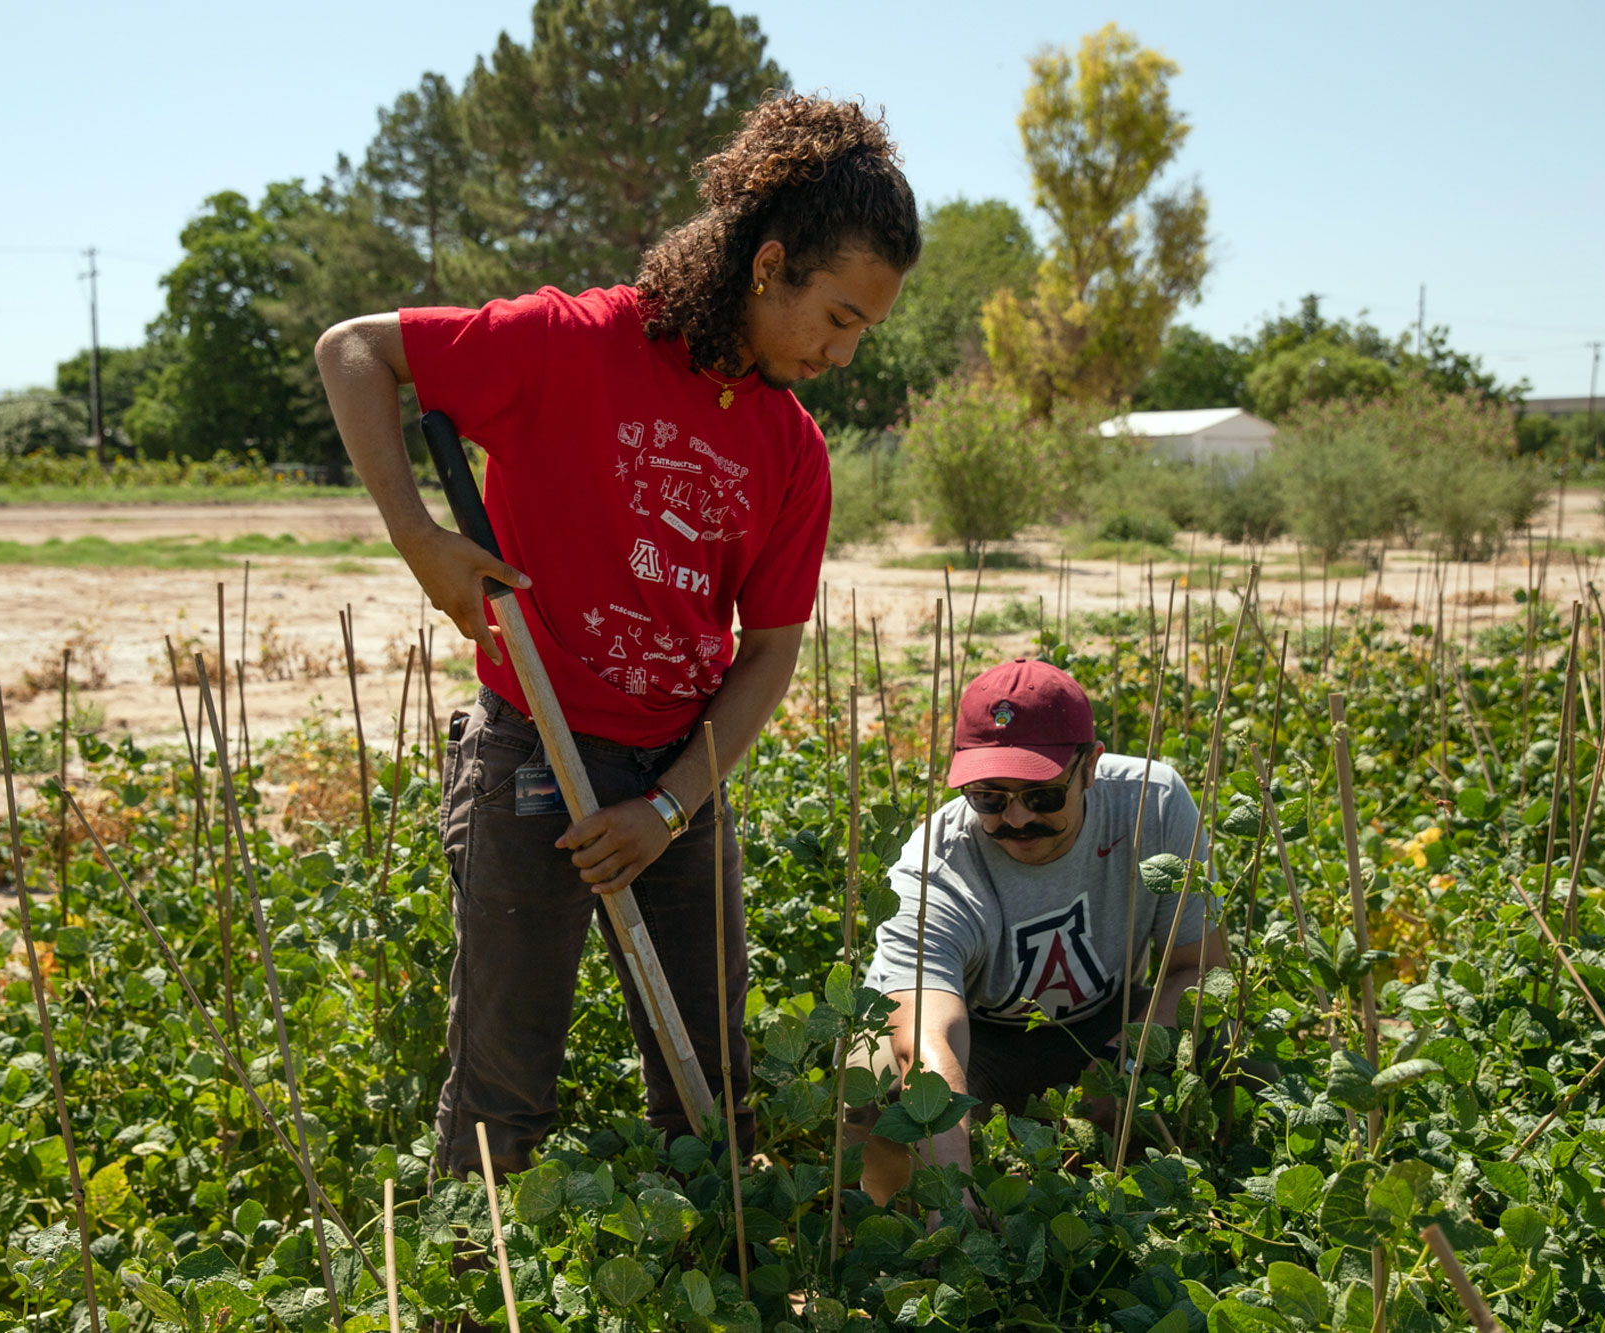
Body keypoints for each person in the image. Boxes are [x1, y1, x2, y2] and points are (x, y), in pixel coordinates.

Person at [315, 93, 919, 1179]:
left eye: (861, 330)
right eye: (835, 317)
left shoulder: (791, 450)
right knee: (503, 1087)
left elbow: (769, 652)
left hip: (676, 777)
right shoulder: (574, 343)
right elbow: (353, 351)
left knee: (711, 1086)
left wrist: (668, 807)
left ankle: (713, 1274)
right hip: (532, 759)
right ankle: (475, 1282)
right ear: (769, 263)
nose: (842, 352)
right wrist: (419, 536)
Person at [855, 658, 1227, 1205]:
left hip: (1113, 1021)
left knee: (1226, 1034)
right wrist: (950, 1201)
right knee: (876, 1079)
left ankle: (1206, 1196)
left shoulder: (1153, 804)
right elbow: (925, 1043)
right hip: (982, 1043)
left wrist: (1125, 1065)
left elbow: (1201, 966)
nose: (1018, 819)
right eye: (990, 798)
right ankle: (900, 1234)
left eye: (1043, 795)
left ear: (1090, 767)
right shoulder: (936, 866)